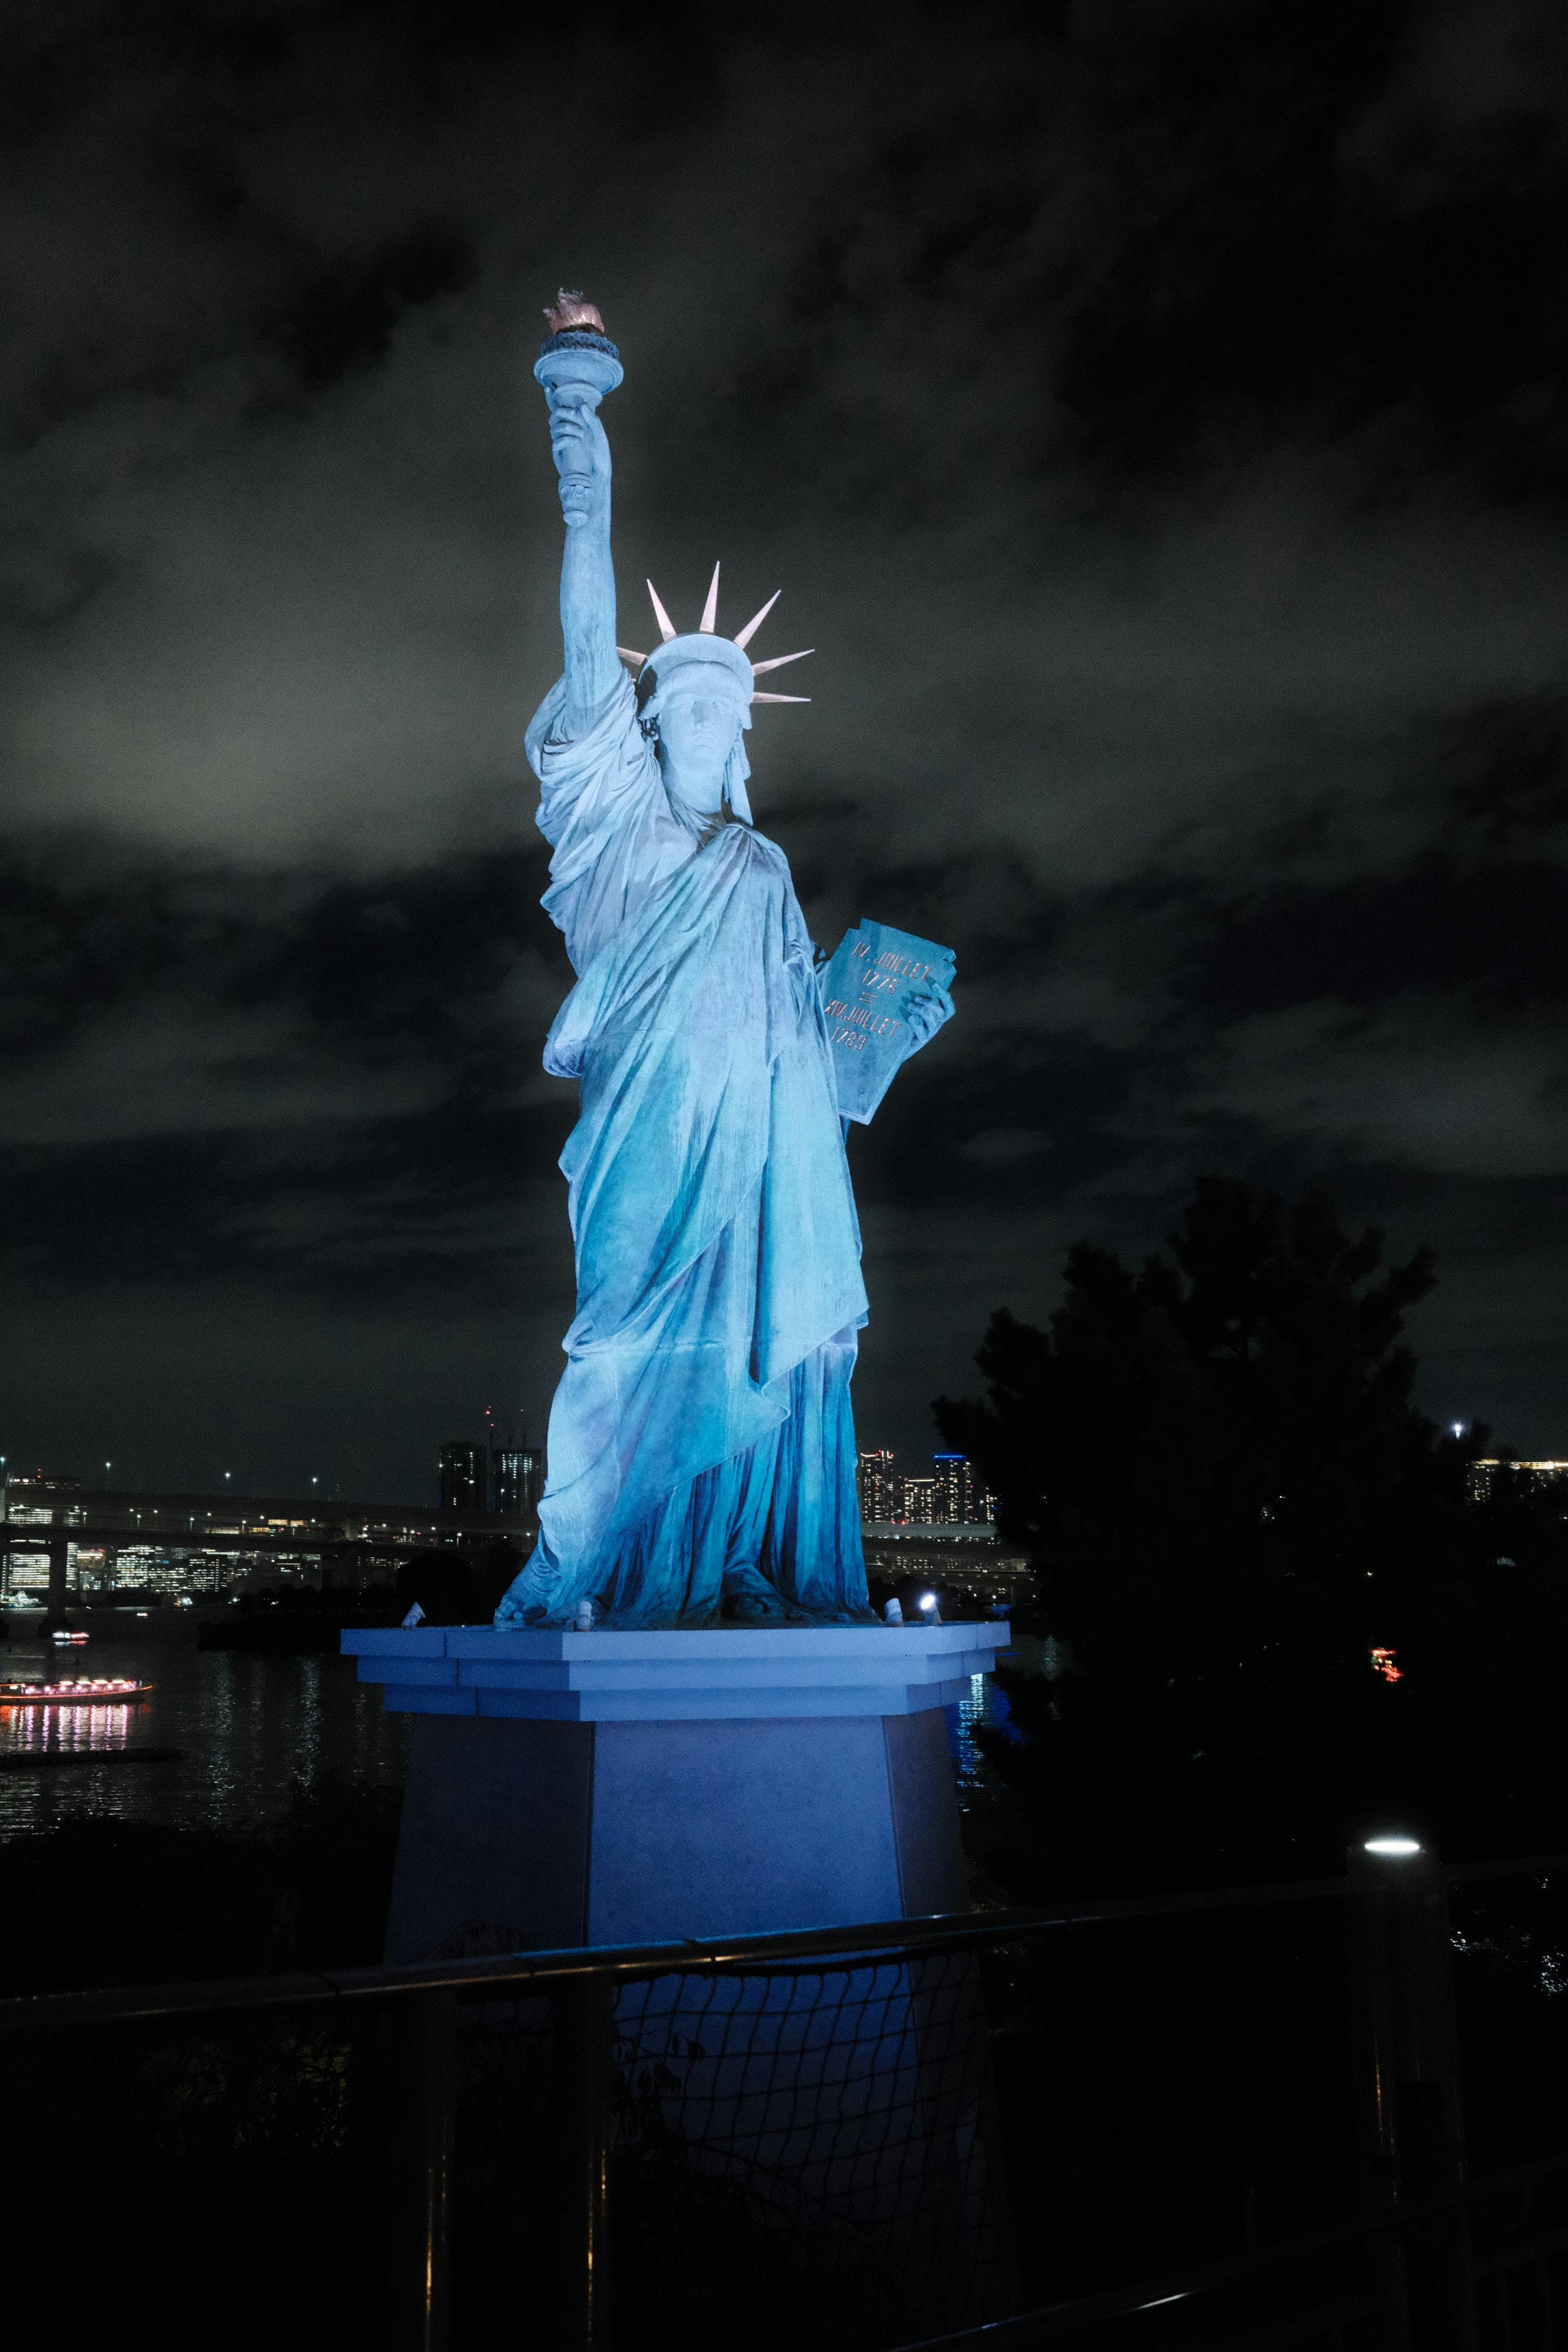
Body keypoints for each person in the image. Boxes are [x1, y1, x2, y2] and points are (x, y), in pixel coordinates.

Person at [494, 369, 952, 1628]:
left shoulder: (762, 867)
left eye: (724, 708)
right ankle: (593, 1561)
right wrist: (577, 422)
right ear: (646, 723)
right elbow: (588, 618)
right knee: (620, 1341)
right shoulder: (611, 823)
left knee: (767, 1331)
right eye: (682, 703)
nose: (704, 719)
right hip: (648, 1124)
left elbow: (803, 1046)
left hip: (761, 1145)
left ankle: (735, 1556)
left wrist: (881, 1039)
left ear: (744, 731)